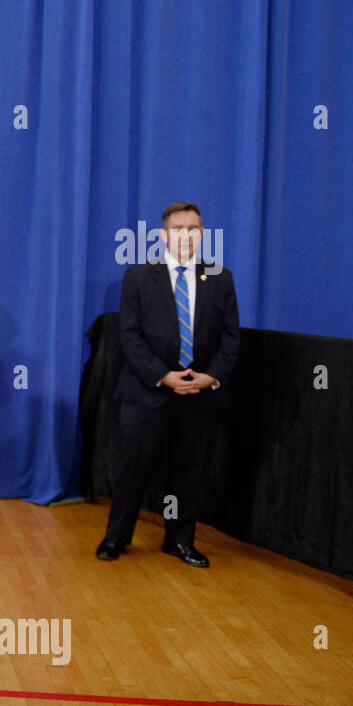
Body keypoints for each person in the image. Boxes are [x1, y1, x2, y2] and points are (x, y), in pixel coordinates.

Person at [97, 202, 240, 567]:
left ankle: (179, 541)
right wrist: (162, 375)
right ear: (164, 235)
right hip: (148, 392)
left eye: (193, 229)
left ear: (202, 234)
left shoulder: (220, 277)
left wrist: (212, 377)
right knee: (133, 468)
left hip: (198, 394)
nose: (186, 236)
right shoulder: (138, 277)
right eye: (179, 229)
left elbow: (230, 338)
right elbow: (128, 337)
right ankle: (116, 537)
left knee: (187, 472)